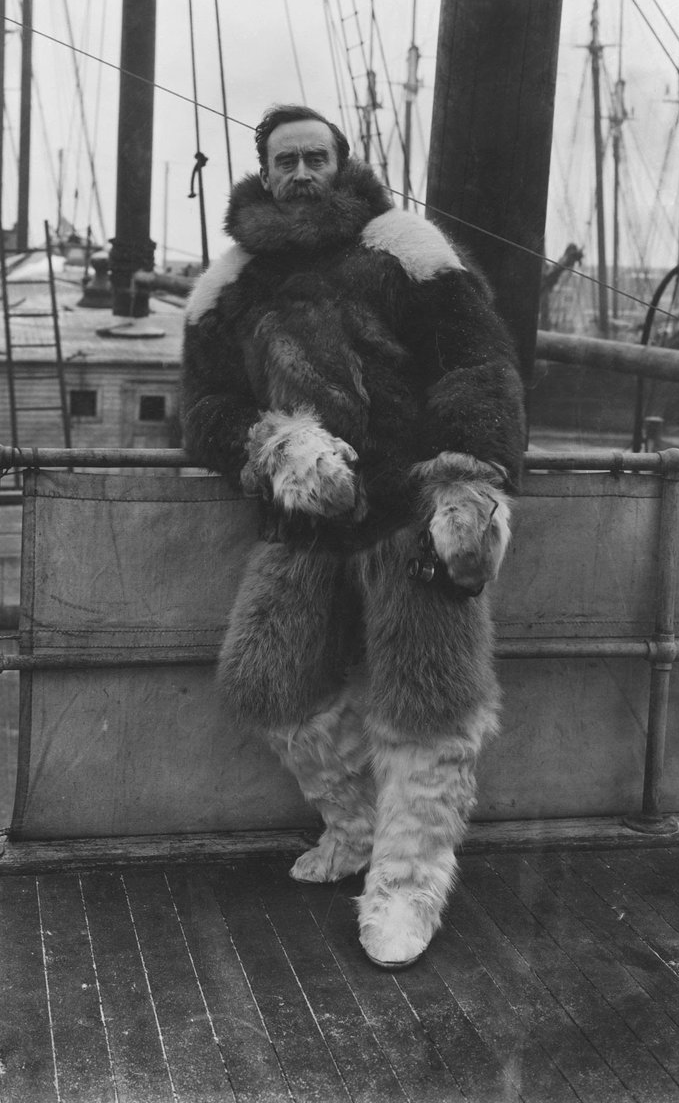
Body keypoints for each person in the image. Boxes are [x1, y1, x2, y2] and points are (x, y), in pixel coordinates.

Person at [180, 104, 526, 968]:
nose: (301, 173)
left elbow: (478, 365)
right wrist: (275, 447)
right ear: (262, 172)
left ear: (342, 163)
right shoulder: (227, 287)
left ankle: (410, 883)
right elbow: (206, 413)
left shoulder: (404, 249)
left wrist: (469, 479)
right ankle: (357, 825)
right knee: (267, 684)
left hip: (411, 506)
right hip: (304, 510)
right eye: (284, 161)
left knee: (428, 706)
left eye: (315, 158)